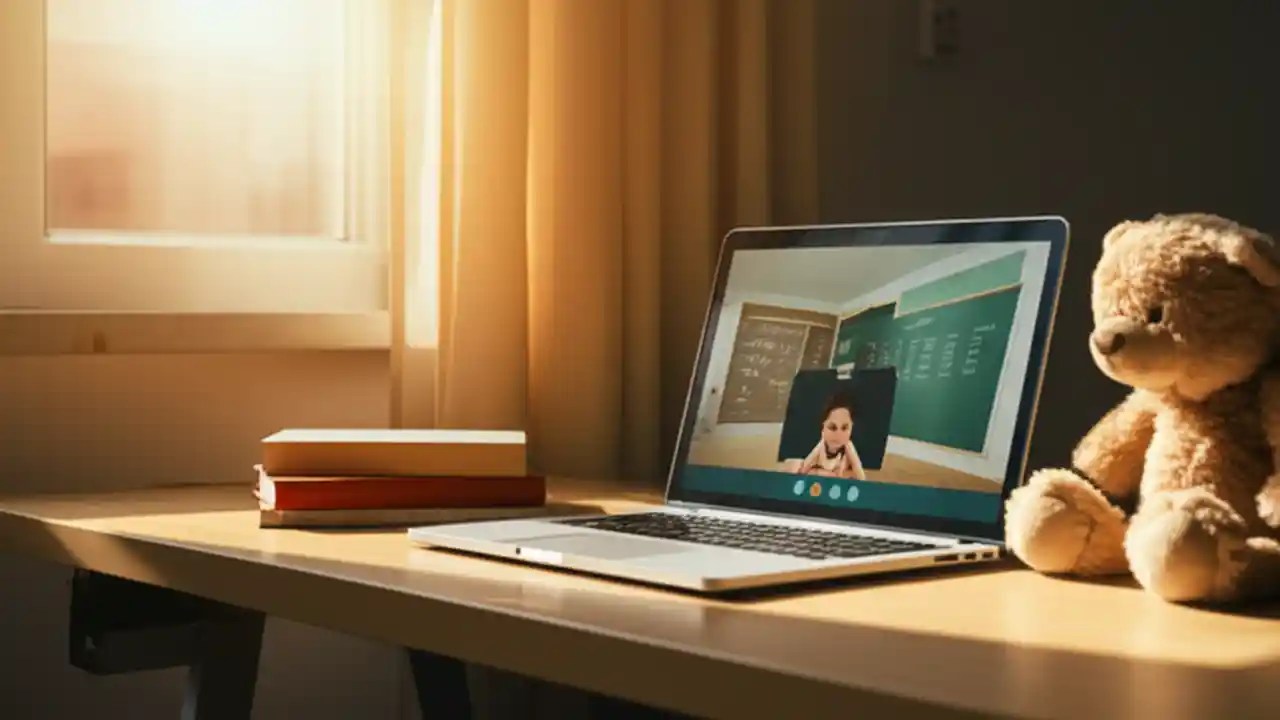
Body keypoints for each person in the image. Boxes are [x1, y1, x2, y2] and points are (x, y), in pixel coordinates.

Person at [797, 392, 866, 480]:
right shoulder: (822, 444)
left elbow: (861, 478)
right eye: (832, 428)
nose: (838, 435)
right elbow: (803, 470)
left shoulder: (848, 447)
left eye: (844, 428)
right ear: (823, 428)